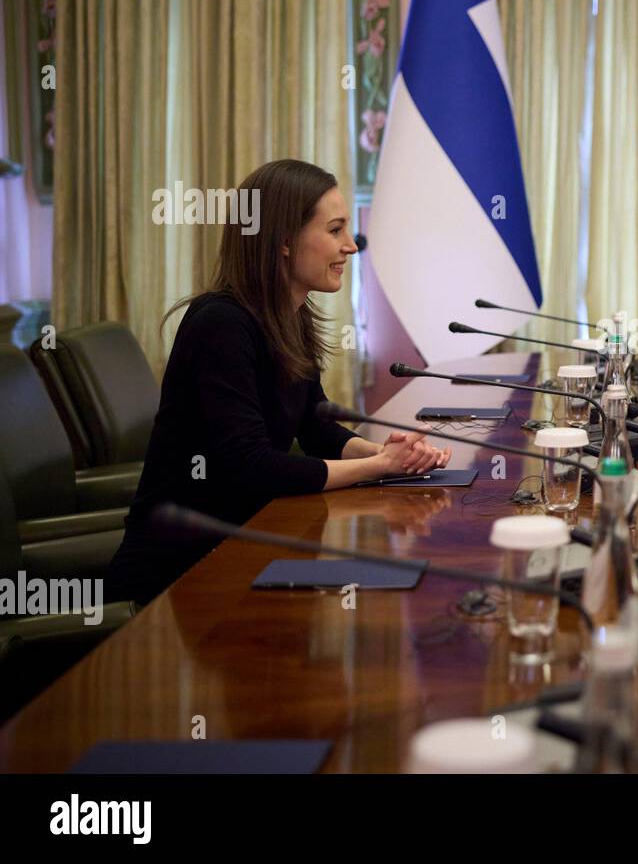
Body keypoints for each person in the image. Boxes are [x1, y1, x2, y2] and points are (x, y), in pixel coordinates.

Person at [105, 159, 451, 605]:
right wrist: (379, 468)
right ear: (285, 241)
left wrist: (386, 453)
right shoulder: (221, 324)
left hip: (247, 541)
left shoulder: (290, 315)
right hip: (180, 574)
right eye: (335, 230)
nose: (351, 246)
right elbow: (251, 466)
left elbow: (314, 425)